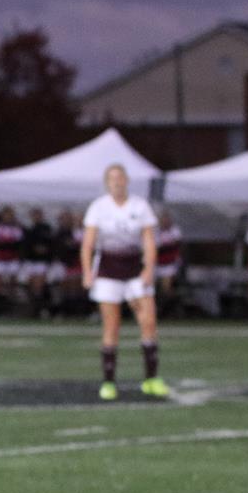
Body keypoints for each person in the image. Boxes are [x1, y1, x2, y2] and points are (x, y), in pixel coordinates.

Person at [81, 163, 165, 400]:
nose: (117, 182)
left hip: (134, 269)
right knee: (112, 325)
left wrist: (149, 269)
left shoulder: (140, 206)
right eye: (112, 178)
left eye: (120, 177)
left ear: (127, 180)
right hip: (108, 270)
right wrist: (88, 272)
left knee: (148, 321)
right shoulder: (99, 207)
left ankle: (151, 379)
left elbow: (149, 242)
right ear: (107, 183)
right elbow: (88, 244)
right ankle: (108, 382)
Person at [20, 208, 56, 318]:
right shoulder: (28, 229)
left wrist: (44, 250)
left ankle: (40, 307)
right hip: (30, 262)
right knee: (30, 282)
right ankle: (33, 306)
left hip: (43, 262)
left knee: (39, 282)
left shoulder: (47, 229)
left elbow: (51, 245)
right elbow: (24, 246)